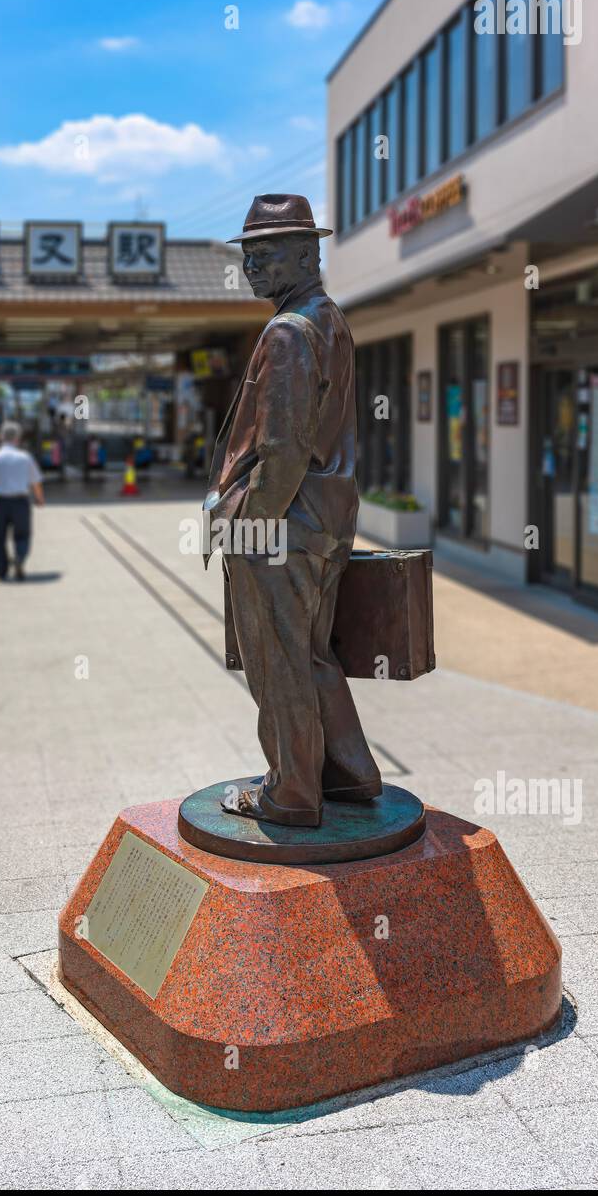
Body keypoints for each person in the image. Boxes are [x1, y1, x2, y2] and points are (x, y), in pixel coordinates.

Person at [203, 194, 382, 828]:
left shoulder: (287, 331)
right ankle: (351, 774)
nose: (251, 265)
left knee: (277, 662)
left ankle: (292, 792)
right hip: (324, 523)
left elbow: (282, 451)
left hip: (278, 527)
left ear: (307, 253)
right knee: (311, 654)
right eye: (248, 253)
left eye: (266, 252)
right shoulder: (328, 317)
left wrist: (246, 525)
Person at [0, 420, 44, 581]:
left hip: (0, 503)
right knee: (23, 535)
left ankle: (1, 571)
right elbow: (35, 482)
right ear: (18, 438)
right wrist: (39, 498)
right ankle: (20, 557)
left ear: (0, 437)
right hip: (20, 502)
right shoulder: (25, 457)